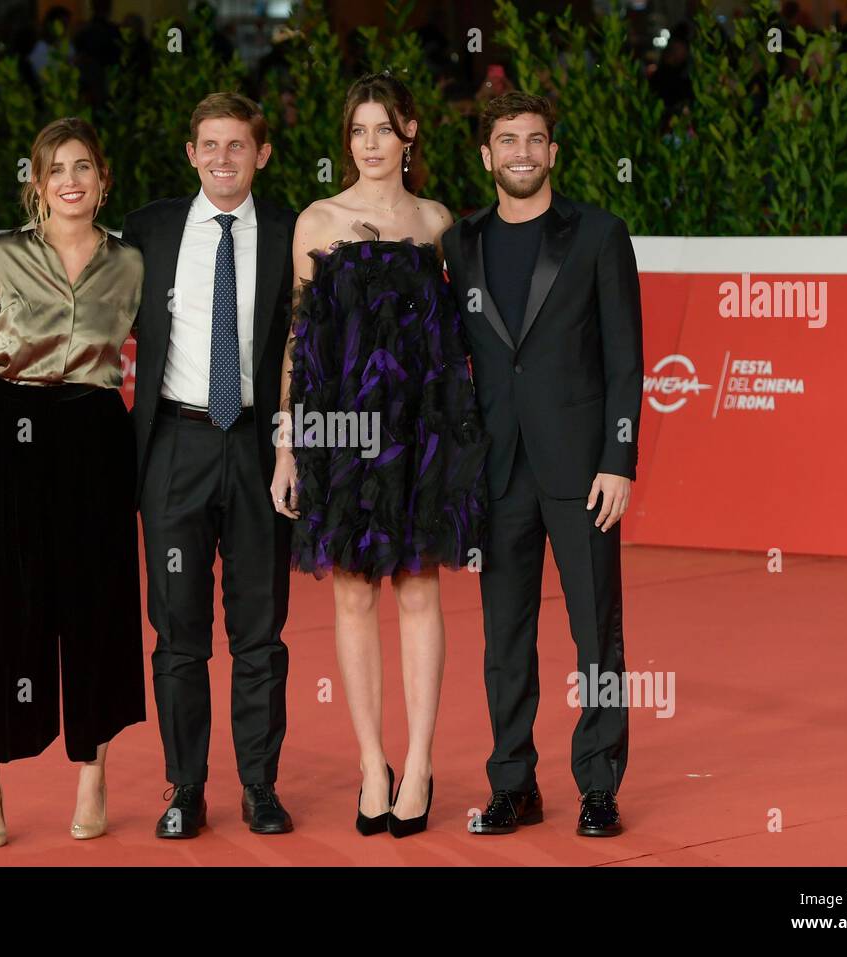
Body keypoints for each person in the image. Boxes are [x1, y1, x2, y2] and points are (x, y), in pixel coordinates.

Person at [274, 73, 488, 838]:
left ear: (410, 133)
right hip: (336, 431)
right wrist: (286, 446)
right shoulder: (316, 222)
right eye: (357, 130)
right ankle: (372, 763)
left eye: (383, 128)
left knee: (420, 589)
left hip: (418, 428)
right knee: (354, 593)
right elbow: (301, 340)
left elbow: (459, 342)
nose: (370, 143)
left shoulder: (437, 223)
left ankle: (420, 763)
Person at [442, 91, 643, 837]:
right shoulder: (459, 243)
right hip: (496, 472)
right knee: (505, 637)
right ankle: (513, 782)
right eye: (506, 140)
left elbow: (626, 359)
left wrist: (618, 458)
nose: (521, 151)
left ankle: (597, 784)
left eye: (534, 139)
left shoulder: (598, 235)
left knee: (597, 631)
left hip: (583, 467)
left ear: (553, 152)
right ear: (487, 156)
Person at [0, 117, 145, 847]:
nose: (70, 180)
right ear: (36, 182)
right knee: (6, 609)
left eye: (83, 167)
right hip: (12, 435)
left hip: (96, 433)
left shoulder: (130, 264)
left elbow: (152, 364)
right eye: (56, 168)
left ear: (102, 179)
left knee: (96, 607)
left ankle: (93, 767)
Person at [121, 93, 299, 839]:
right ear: (190, 154)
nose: (223, 158)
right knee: (178, 632)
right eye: (209, 145)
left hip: (260, 446)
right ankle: (185, 787)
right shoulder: (150, 230)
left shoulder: (293, 232)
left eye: (238, 146)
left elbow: (305, 350)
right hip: (173, 446)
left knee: (260, 633)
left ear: (261, 154)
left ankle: (259, 786)